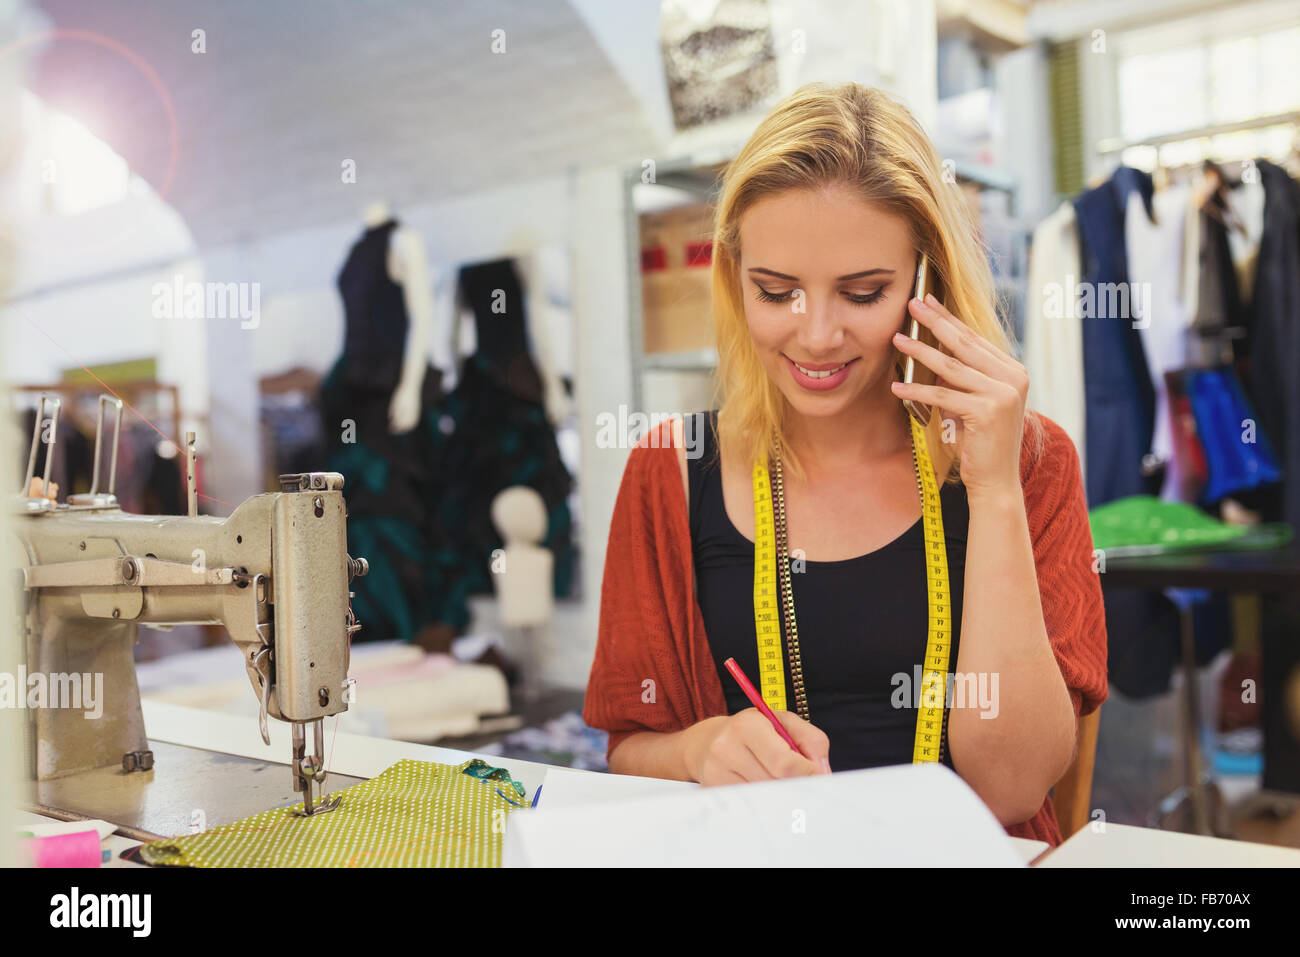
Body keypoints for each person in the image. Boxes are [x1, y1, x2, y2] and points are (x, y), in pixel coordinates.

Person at [583, 82, 1108, 845]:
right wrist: (701, 749)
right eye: (777, 290)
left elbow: (1012, 788)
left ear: (925, 279)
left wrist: (993, 492)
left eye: (863, 292)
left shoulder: (1031, 462)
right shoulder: (669, 470)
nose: (817, 334)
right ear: (734, 277)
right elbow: (627, 752)